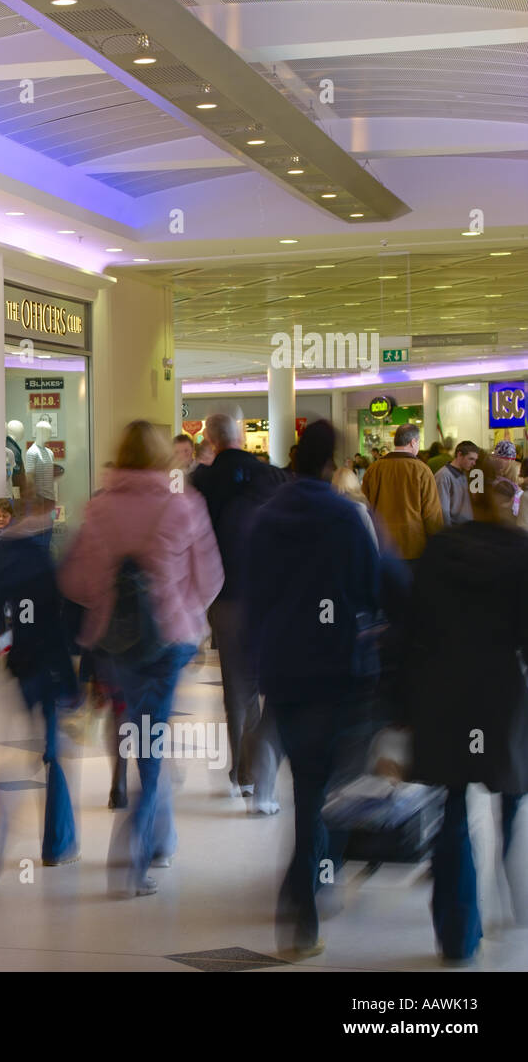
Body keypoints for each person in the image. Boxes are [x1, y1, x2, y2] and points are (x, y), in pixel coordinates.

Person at [60, 421, 223, 897]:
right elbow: (211, 577)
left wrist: (110, 598)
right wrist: (183, 608)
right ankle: (133, 856)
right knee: (151, 748)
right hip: (169, 641)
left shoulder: (99, 508)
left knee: (139, 734)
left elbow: (75, 581)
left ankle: (158, 839)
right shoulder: (183, 504)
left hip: (114, 641)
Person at [245, 420, 380, 959]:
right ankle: (304, 901)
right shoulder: (346, 516)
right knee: (322, 790)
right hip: (335, 669)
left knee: (306, 785)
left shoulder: (266, 517)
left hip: (284, 669)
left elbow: (255, 595)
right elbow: (370, 588)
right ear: (331, 466)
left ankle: (307, 892)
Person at [405, 452, 527, 964]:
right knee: (511, 795)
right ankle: (509, 879)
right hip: (501, 693)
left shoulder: (439, 550)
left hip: (444, 695)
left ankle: (457, 934)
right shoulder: (521, 553)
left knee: (452, 809)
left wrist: (402, 709)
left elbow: (414, 633)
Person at [0, 499, 81, 868]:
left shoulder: (5, 553)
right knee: (53, 753)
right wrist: (71, 679)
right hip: (48, 666)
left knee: (35, 753)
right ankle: (57, 843)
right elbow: (52, 624)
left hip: (21, 663)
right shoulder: (42, 559)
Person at [191, 412, 286, 810]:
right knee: (275, 685)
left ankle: (243, 772)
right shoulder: (272, 477)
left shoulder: (201, 483)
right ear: (241, 435)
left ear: (211, 440)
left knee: (238, 686)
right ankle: (261, 769)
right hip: (273, 595)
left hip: (225, 596)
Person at [361, 423, 442, 562]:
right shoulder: (422, 470)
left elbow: (364, 506)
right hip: (413, 546)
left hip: (380, 545)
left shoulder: (374, 469)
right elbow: (432, 514)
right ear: (413, 442)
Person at [435, 441, 479, 526]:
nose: (474, 463)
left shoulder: (463, 473)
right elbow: (443, 511)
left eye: (475, 460)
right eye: (471, 459)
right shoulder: (443, 476)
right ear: (459, 455)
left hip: (464, 528)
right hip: (454, 531)